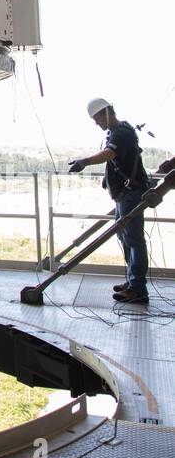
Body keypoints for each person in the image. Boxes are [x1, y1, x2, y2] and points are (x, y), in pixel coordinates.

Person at [68, 97, 150, 304]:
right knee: (125, 238)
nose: (96, 123)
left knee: (134, 240)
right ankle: (133, 283)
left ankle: (138, 288)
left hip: (130, 194)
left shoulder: (121, 133)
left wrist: (85, 161)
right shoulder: (117, 132)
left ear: (106, 113)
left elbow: (109, 153)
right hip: (125, 194)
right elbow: (117, 159)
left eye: (97, 118)